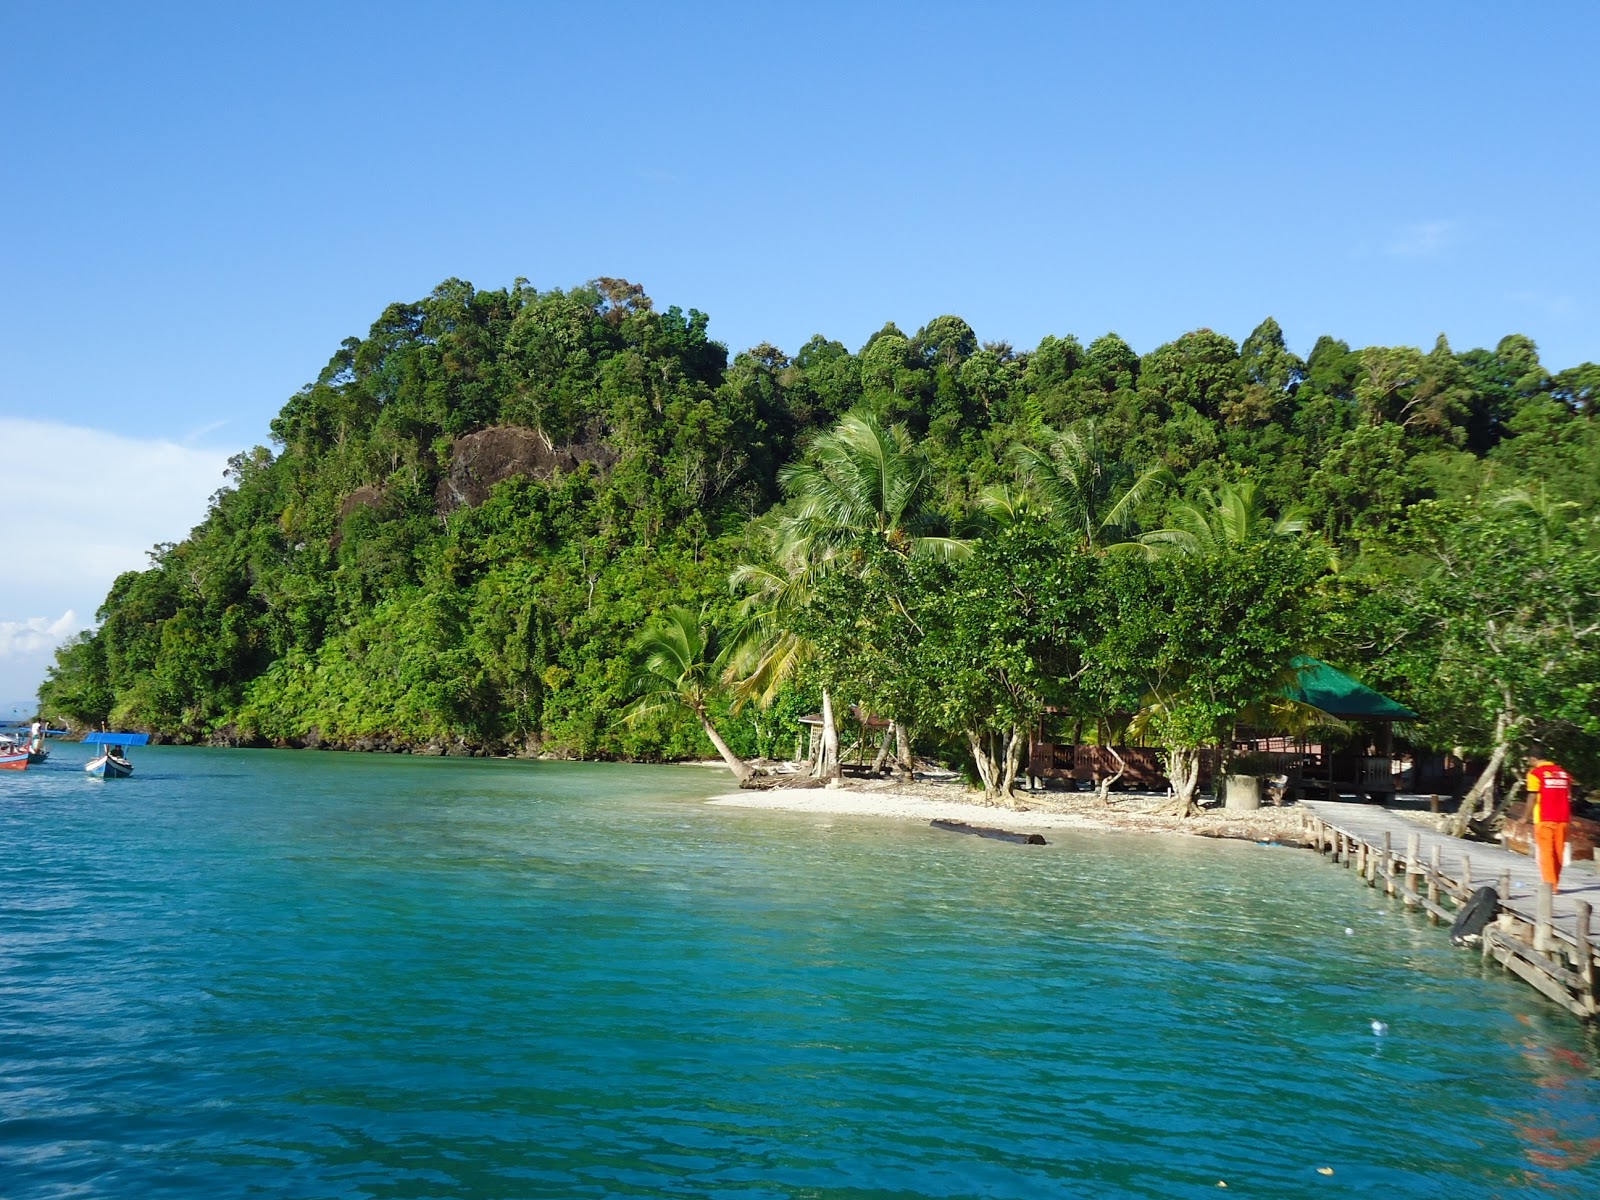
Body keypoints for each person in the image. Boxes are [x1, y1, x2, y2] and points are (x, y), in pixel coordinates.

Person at [1525, 755, 1575, 891]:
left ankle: (1549, 886)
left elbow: (1532, 796)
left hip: (1544, 818)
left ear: (1533, 759)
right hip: (1563, 819)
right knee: (1558, 852)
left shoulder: (1535, 773)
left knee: (1546, 853)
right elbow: (1569, 794)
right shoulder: (1563, 773)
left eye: (1528, 760)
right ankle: (1554, 885)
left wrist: (1525, 817)